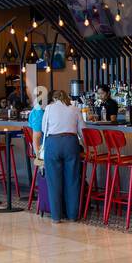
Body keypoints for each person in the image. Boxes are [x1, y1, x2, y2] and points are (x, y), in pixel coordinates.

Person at [41, 89, 83, 222]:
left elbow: (43, 128)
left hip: (53, 143)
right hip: (71, 143)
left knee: (53, 182)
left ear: (54, 99)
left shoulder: (49, 108)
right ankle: (72, 215)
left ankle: (56, 217)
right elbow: (82, 131)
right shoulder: (75, 109)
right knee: (73, 180)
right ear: (67, 98)